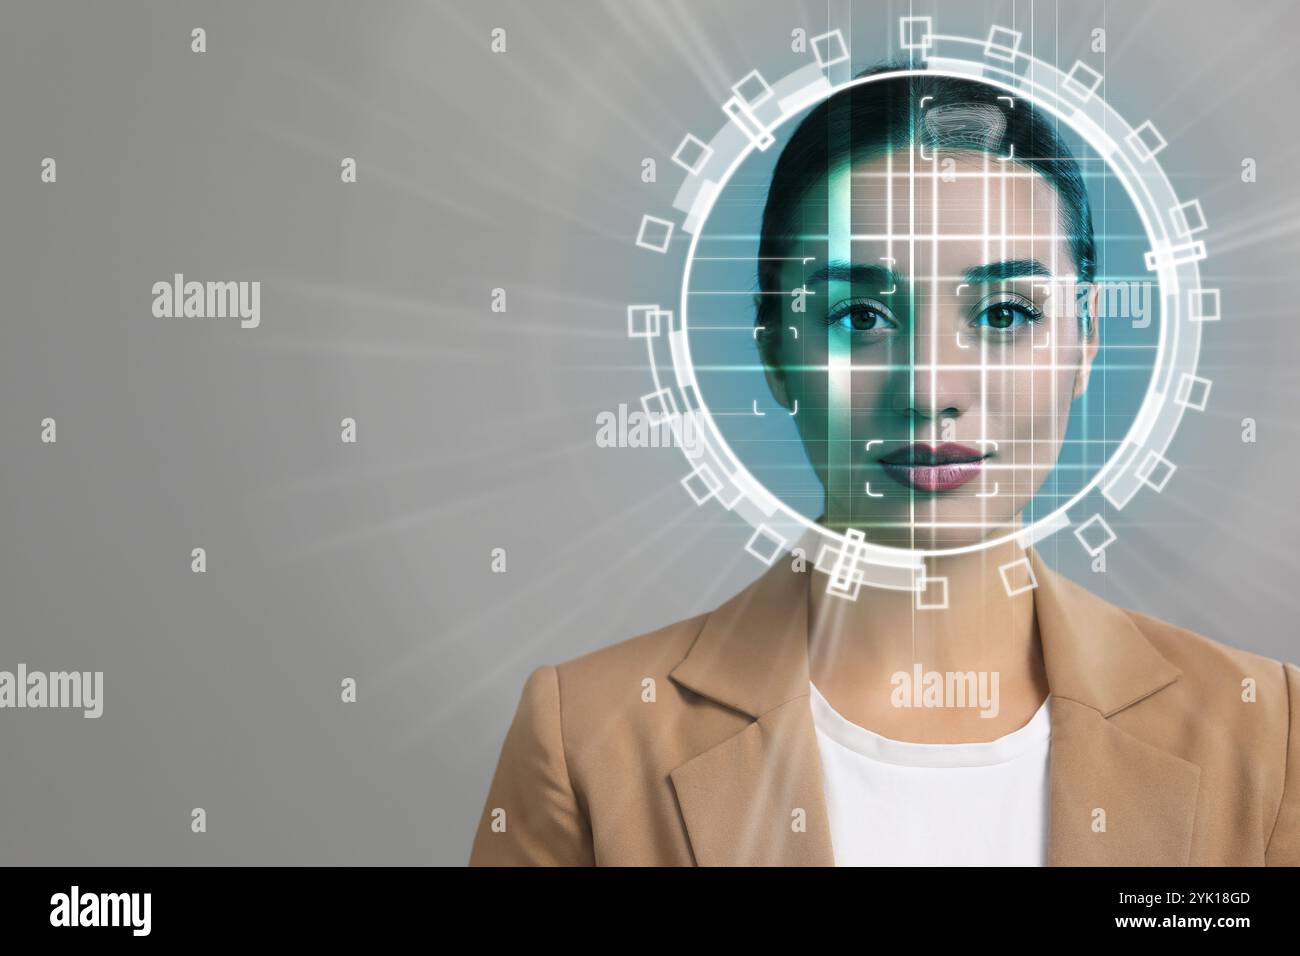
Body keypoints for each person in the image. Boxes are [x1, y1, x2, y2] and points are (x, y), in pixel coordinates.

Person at [469, 66, 1300, 866]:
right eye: (859, 314)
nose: (931, 388)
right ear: (773, 352)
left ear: (1085, 343)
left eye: (1007, 312)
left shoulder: (1266, 734)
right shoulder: (589, 738)